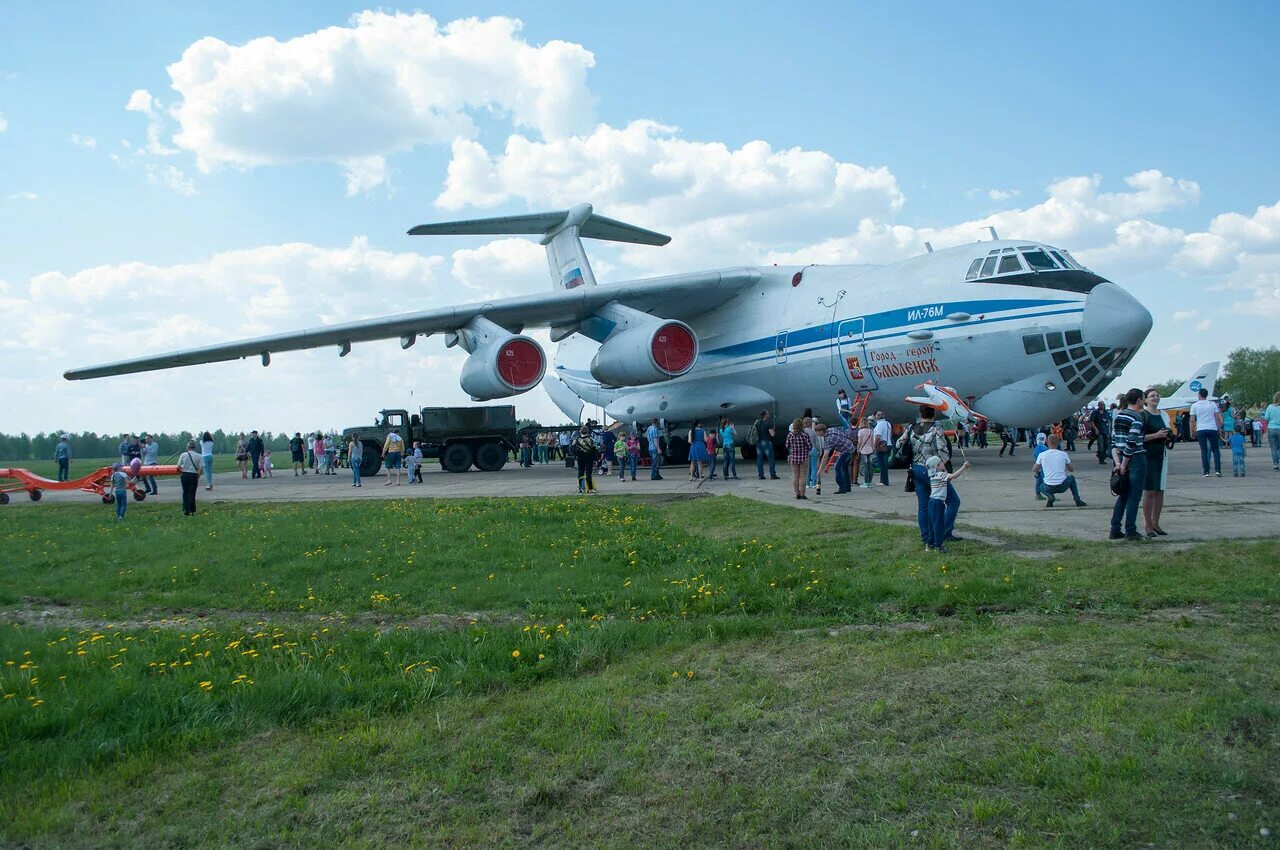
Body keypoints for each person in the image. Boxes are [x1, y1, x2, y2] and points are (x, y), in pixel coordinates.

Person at [899, 405, 962, 548]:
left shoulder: (911, 427)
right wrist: (944, 465)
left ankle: (926, 536)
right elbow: (942, 449)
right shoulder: (936, 428)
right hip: (932, 468)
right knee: (952, 501)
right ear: (934, 414)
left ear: (920, 414)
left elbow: (899, 443)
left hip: (916, 469)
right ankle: (944, 531)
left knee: (923, 505)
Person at [1110, 388, 1148, 541]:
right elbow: (1131, 442)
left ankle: (1115, 528)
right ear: (1139, 400)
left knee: (1123, 495)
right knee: (1134, 495)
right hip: (1136, 458)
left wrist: (1118, 463)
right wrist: (1125, 463)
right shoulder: (1137, 418)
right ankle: (1130, 530)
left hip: (1119, 457)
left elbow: (1114, 441)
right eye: (1143, 398)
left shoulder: (1119, 416)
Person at [1141, 388, 1172, 537]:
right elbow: (1139, 437)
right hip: (1148, 455)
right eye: (1152, 396)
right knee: (1149, 490)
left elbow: (1168, 430)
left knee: (1160, 490)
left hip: (1162, 454)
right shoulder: (1143, 415)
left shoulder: (1164, 415)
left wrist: (1169, 436)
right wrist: (1156, 435)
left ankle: (1156, 523)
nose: (1155, 398)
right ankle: (1147, 524)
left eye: (1157, 396)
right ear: (1145, 399)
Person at [926, 456, 971, 553]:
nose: (943, 463)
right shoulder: (941, 475)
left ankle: (929, 544)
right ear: (937, 466)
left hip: (931, 502)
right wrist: (964, 467)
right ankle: (938, 546)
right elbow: (954, 476)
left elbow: (948, 478)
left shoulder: (933, 476)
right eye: (941, 462)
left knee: (931, 524)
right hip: (938, 503)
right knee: (939, 524)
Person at [1033, 434, 1087, 508]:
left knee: (1041, 486)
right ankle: (1077, 499)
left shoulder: (1042, 455)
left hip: (1048, 487)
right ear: (1058, 443)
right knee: (1071, 478)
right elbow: (1071, 469)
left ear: (1046, 442)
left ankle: (1050, 496)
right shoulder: (1063, 454)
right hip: (1062, 486)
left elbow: (1034, 469)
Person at [1189, 387, 1223, 477]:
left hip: (1201, 429)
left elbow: (1192, 420)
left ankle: (1206, 471)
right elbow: (1217, 418)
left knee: (1203, 450)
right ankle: (1218, 470)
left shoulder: (1194, 405)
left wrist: (1191, 430)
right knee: (1215, 450)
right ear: (1206, 395)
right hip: (1212, 428)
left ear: (1199, 395)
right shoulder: (1213, 404)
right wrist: (1219, 429)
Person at [817, 422, 854, 493]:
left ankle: (842, 488)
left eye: (817, 432)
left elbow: (825, 456)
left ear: (821, 431)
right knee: (845, 468)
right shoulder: (831, 429)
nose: (817, 434)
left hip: (846, 450)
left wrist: (820, 470)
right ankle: (848, 487)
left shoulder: (828, 440)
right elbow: (842, 434)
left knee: (837, 467)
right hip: (850, 446)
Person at [785, 418, 812, 500]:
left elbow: (787, 445)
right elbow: (810, 446)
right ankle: (803, 494)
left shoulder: (790, 435)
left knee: (795, 476)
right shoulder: (805, 435)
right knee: (803, 476)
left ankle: (797, 493)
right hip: (804, 457)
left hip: (793, 457)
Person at [178, 440, 202, 516]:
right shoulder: (199, 456)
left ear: (187, 447)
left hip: (185, 475)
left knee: (185, 492)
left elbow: (178, 466)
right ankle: (192, 510)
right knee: (192, 493)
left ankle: (186, 509)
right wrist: (197, 476)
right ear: (194, 447)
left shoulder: (183, 455)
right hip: (193, 475)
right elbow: (201, 468)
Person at [753, 410, 778, 480]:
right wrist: (773, 429)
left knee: (759, 459)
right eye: (768, 414)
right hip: (766, 442)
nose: (769, 415)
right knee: (771, 459)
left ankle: (761, 475)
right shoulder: (768, 423)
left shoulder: (757, 422)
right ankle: (773, 474)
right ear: (765, 415)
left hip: (758, 442)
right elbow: (772, 434)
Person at [573, 426, 598, 493]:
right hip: (589, 458)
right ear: (588, 432)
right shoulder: (590, 439)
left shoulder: (577, 439)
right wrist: (595, 459)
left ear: (580, 431)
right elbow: (594, 450)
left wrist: (577, 454)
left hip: (580, 458)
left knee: (580, 473)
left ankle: (580, 488)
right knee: (588, 473)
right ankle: (590, 488)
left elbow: (572, 448)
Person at [855, 417, 875, 489]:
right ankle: (870, 482)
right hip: (870, 449)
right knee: (870, 467)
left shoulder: (860, 431)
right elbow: (873, 441)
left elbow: (859, 442)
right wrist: (873, 448)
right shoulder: (870, 431)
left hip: (863, 450)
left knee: (865, 466)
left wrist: (858, 449)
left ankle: (866, 483)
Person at [873, 411, 892, 486]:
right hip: (889, 444)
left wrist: (874, 446)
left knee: (882, 465)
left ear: (877, 417)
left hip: (882, 446)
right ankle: (884, 480)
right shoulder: (888, 423)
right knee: (885, 464)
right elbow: (890, 435)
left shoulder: (879, 425)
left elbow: (878, 436)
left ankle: (883, 481)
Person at [1265, 391, 1280, 471]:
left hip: (1271, 428)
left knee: (1273, 448)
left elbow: (1266, 418)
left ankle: (1275, 465)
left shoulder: (1270, 407)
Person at [1032, 433, 1048, 500]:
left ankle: (1038, 494)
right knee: (1047, 482)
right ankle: (1050, 495)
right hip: (1044, 468)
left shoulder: (1036, 448)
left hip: (1038, 467)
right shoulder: (1045, 448)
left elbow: (1035, 458)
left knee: (1038, 481)